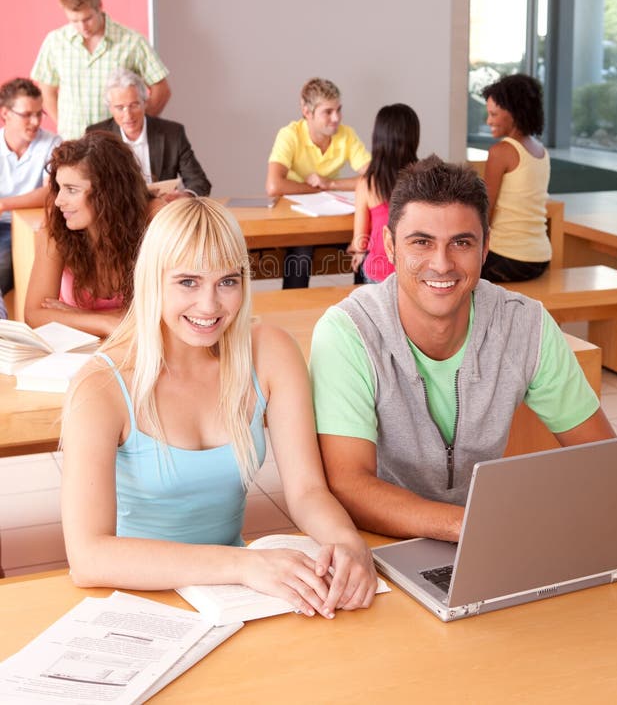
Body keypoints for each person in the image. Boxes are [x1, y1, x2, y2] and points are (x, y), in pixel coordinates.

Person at [61, 197, 377, 616]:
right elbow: (89, 558)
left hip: (229, 595)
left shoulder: (270, 352)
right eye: (188, 282)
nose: (210, 306)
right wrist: (244, 565)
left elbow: (306, 492)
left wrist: (349, 545)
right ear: (152, 280)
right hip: (134, 594)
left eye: (228, 281)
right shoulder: (100, 385)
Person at [310, 155, 615, 544]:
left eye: (461, 243)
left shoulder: (525, 326)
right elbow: (349, 486)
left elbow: (603, 462)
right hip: (378, 543)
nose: (442, 264)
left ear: (486, 246)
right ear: (388, 245)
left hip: (484, 540)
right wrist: (476, 526)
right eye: (421, 242)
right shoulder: (347, 332)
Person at [24, 132, 153, 337]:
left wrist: (76, 316)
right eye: (59, 188)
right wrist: (106, 322)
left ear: (108, 192)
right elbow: (34, 315)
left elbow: (166, 309)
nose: (58, 201)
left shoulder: (151, 223)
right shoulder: (55, 232)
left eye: (71, 190)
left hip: (133, 346)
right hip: (73, 348)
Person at [31, 0, 170, 140]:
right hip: (72, 144)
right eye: (74, 21)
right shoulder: (55, 41)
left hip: (117, 145)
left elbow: (162, 90)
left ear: (99, 7)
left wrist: (135, 125)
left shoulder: (132, 42)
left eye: (87, 18)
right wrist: (63, 127)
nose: (82, 27)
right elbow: (46, 91)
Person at [266, 78, 370, 288]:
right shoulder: (290, 135)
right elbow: (274, 186)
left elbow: (374, 178)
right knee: (300, 254)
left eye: (339, 110)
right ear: (307, 112)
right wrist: (317, 188)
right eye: (328, 112)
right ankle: (294, 314)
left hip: (332, 215)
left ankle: (362, 311)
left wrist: (330, 184)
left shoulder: (346, 135)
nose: (336, 118)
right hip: (297, 217)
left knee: (365, 245)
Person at [87, 68, 211, 198]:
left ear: (145, 102)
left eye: (134, 105)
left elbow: (199, 182)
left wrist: (184, 196)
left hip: (161, 213)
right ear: (110, 108)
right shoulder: (96, 136)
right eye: (119, 108)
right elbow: (90, 186)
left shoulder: (172, 133)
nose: (128, 115)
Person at [480, 73, 551, 282]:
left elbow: (486, 211)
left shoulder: (501, 151)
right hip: (540, 257)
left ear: (514, 113)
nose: (488, 120)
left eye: (494, 114)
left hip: (508, 258)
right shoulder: (541, 151)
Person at [0, 78, 61, 294]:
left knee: (2, 263)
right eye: (27, 114)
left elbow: (50, 193)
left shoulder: (53, 144)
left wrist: (4, 204)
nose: (35, 122)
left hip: (25, 227)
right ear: (5, 113)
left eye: (39, 114)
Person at [350, 104, 420, 283]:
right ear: (413, 138)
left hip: (379, 274)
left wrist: (358, 252)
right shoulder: (425, 178)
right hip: (416, 271)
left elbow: (360, 240)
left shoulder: (368, 183)